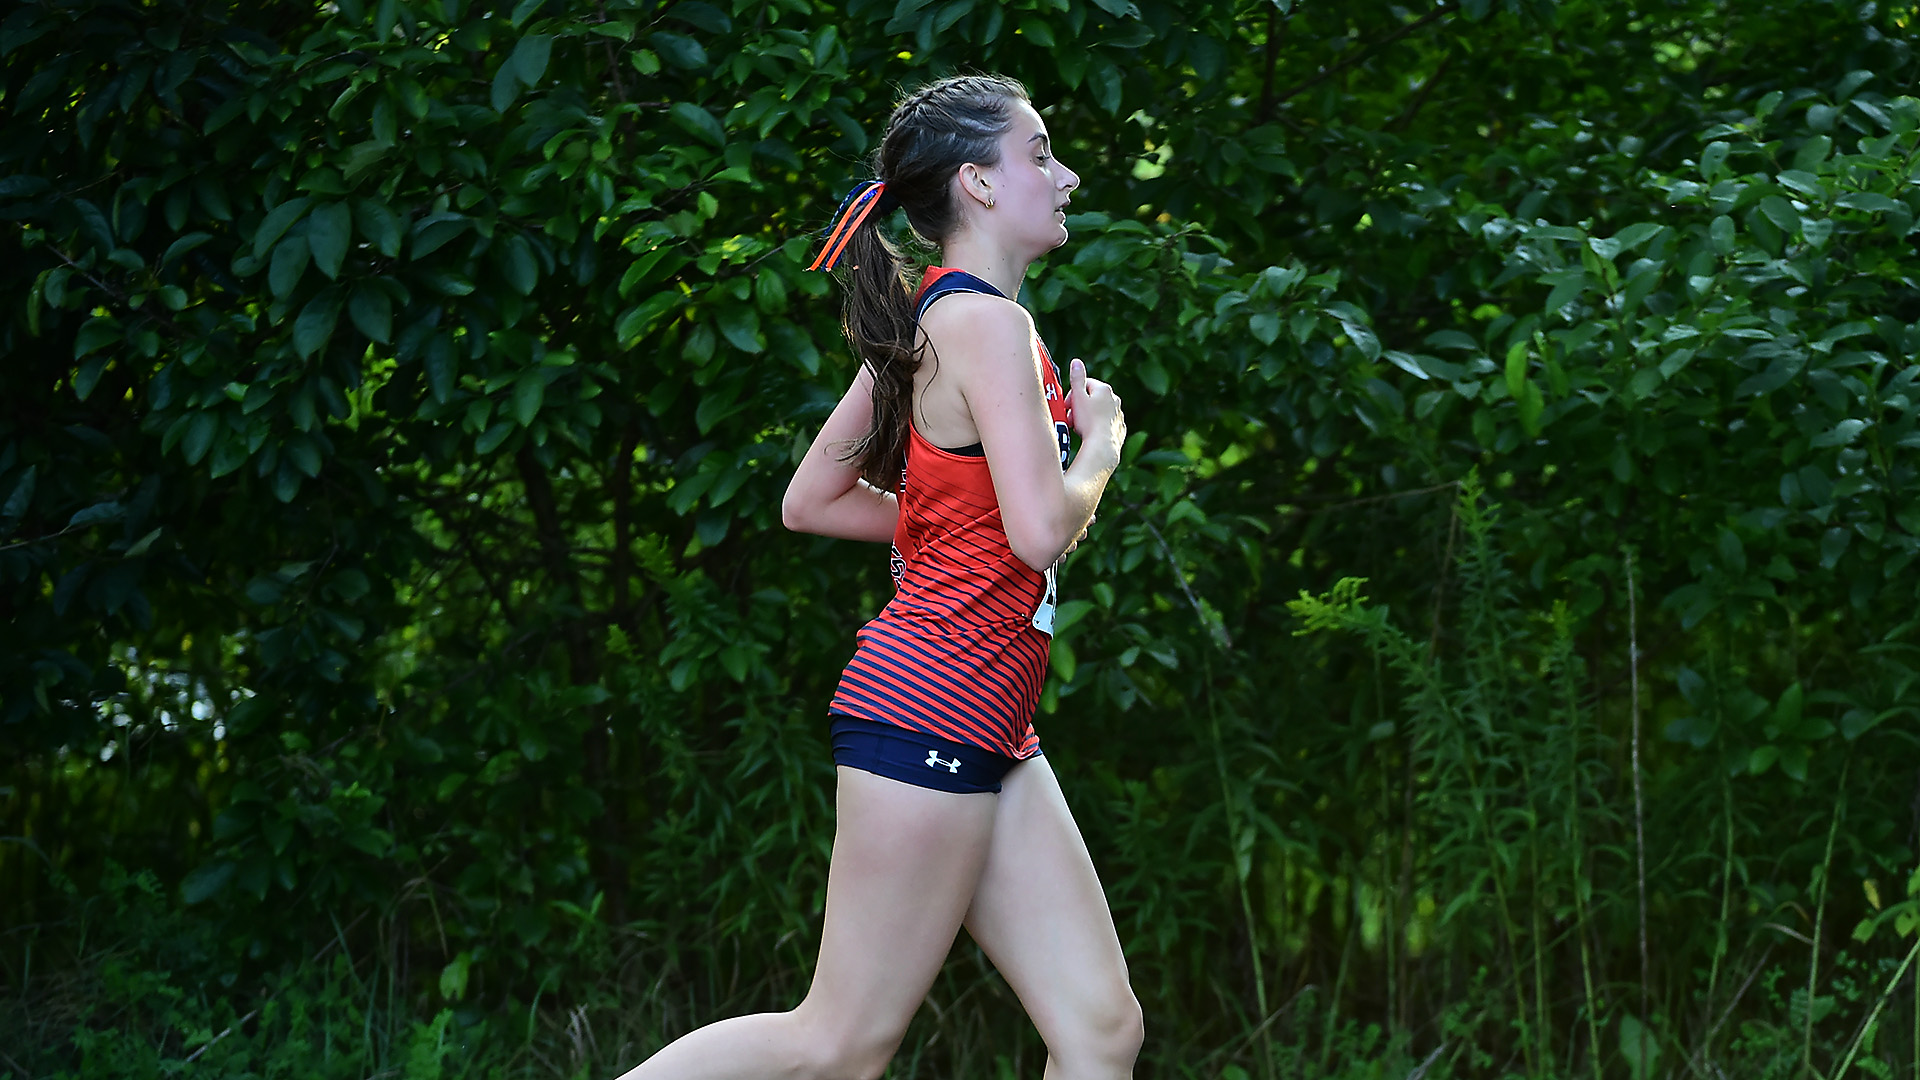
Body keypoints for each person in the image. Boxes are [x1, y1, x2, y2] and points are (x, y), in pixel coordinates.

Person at [619, 74, 1138, 1080]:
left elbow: (810, 498)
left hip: (992, 725)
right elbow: (1039, 533)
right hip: (932, 712)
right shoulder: (986, 327)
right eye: (1040, 154)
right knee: (839, 1043)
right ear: (979, 184)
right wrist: (1103, 444)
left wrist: (951, 530)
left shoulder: (927, 319)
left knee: (1100, 1031)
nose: (1065, 174)